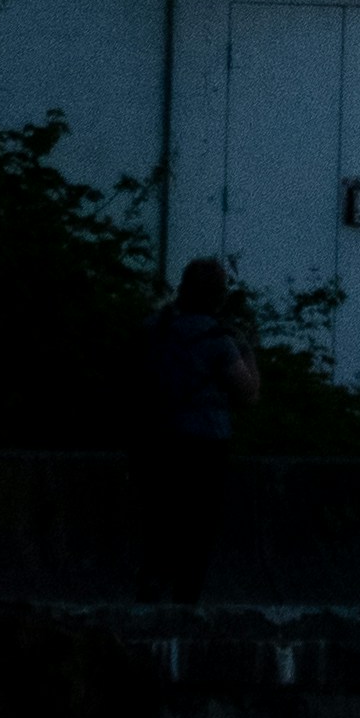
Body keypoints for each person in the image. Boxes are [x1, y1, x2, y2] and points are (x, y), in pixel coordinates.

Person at [132, 257, 259, 603]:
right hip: (206, 440)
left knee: (159, 515)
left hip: (158, 435)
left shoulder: (153, 329)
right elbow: (247, 393)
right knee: (199, 523)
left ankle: (152, 582)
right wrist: (246, 346)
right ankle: (186, 596)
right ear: (218, 297)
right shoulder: (219, 341)